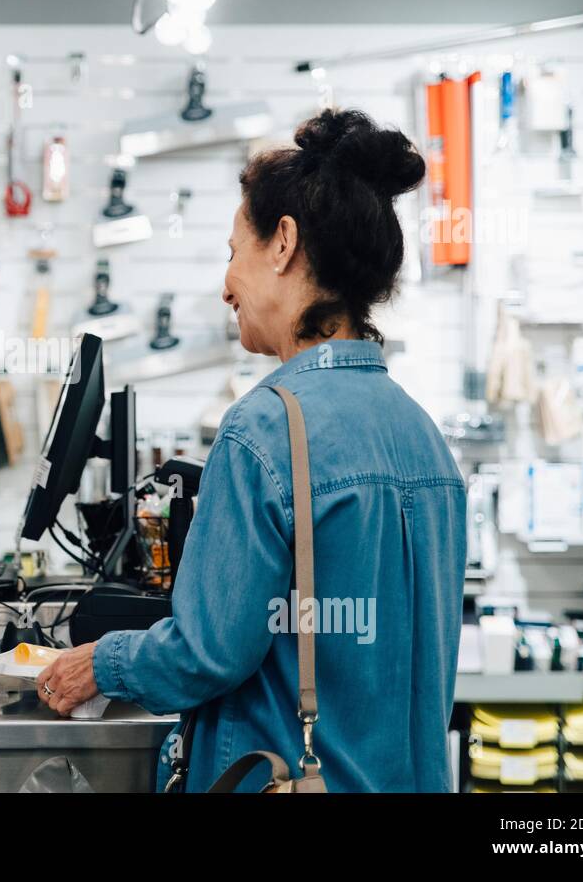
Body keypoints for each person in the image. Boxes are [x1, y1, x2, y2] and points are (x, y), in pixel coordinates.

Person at [36, 109, 467, 792]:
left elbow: (207, 654)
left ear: (283, 245)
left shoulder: (264, 429)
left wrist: (103, 661)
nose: (224, 284)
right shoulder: (425, 440)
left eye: (232, 251)